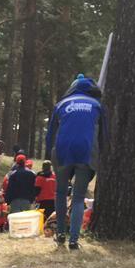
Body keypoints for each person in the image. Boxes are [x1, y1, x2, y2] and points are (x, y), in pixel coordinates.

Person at [46, 74, 105, 251]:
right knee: (79, 198)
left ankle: (61, 234)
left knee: (60, 193)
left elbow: (50, 135)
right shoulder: (97, 106)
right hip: (86, 153)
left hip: (63, 152)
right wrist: (101, 154)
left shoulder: (61, 104)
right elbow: (104, 135)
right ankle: (73, 239)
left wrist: (50, 152)